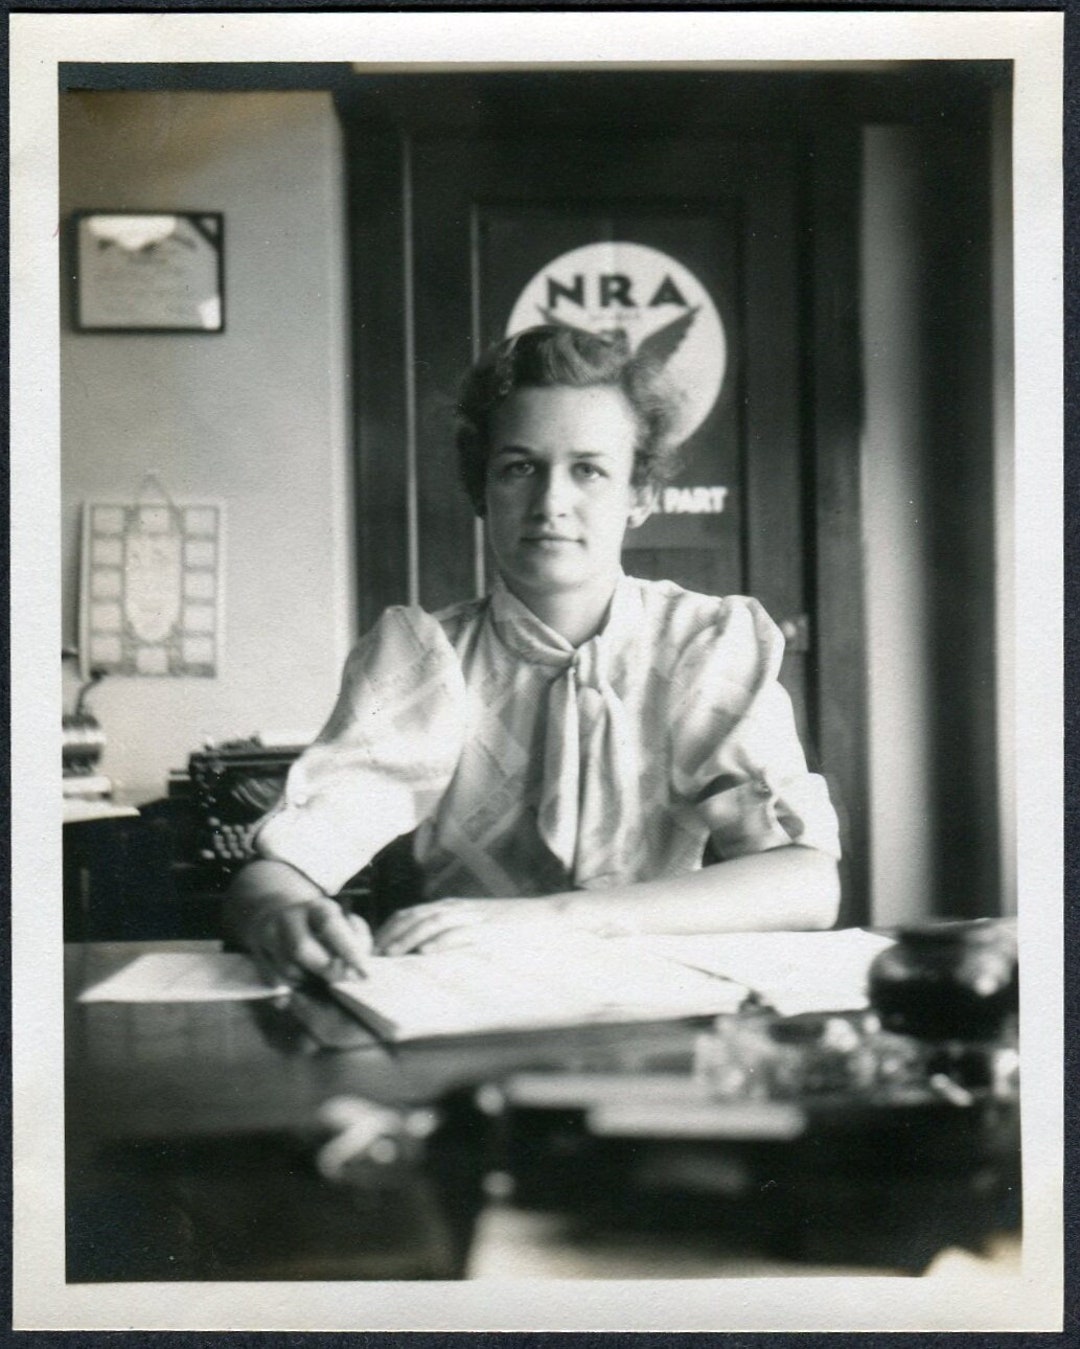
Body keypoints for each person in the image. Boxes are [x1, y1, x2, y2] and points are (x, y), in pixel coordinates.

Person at [225, 325, 841, 984]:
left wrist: (554, 918)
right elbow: (284, 864)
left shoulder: (702, 645)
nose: (551, 503)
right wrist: (281, 912)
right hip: (465, 1004)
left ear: (641, 495)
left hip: (652, 1007)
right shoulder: (427, 660)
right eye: (520, 467)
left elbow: (807, 884)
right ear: (480, 489)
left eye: (589, 470)